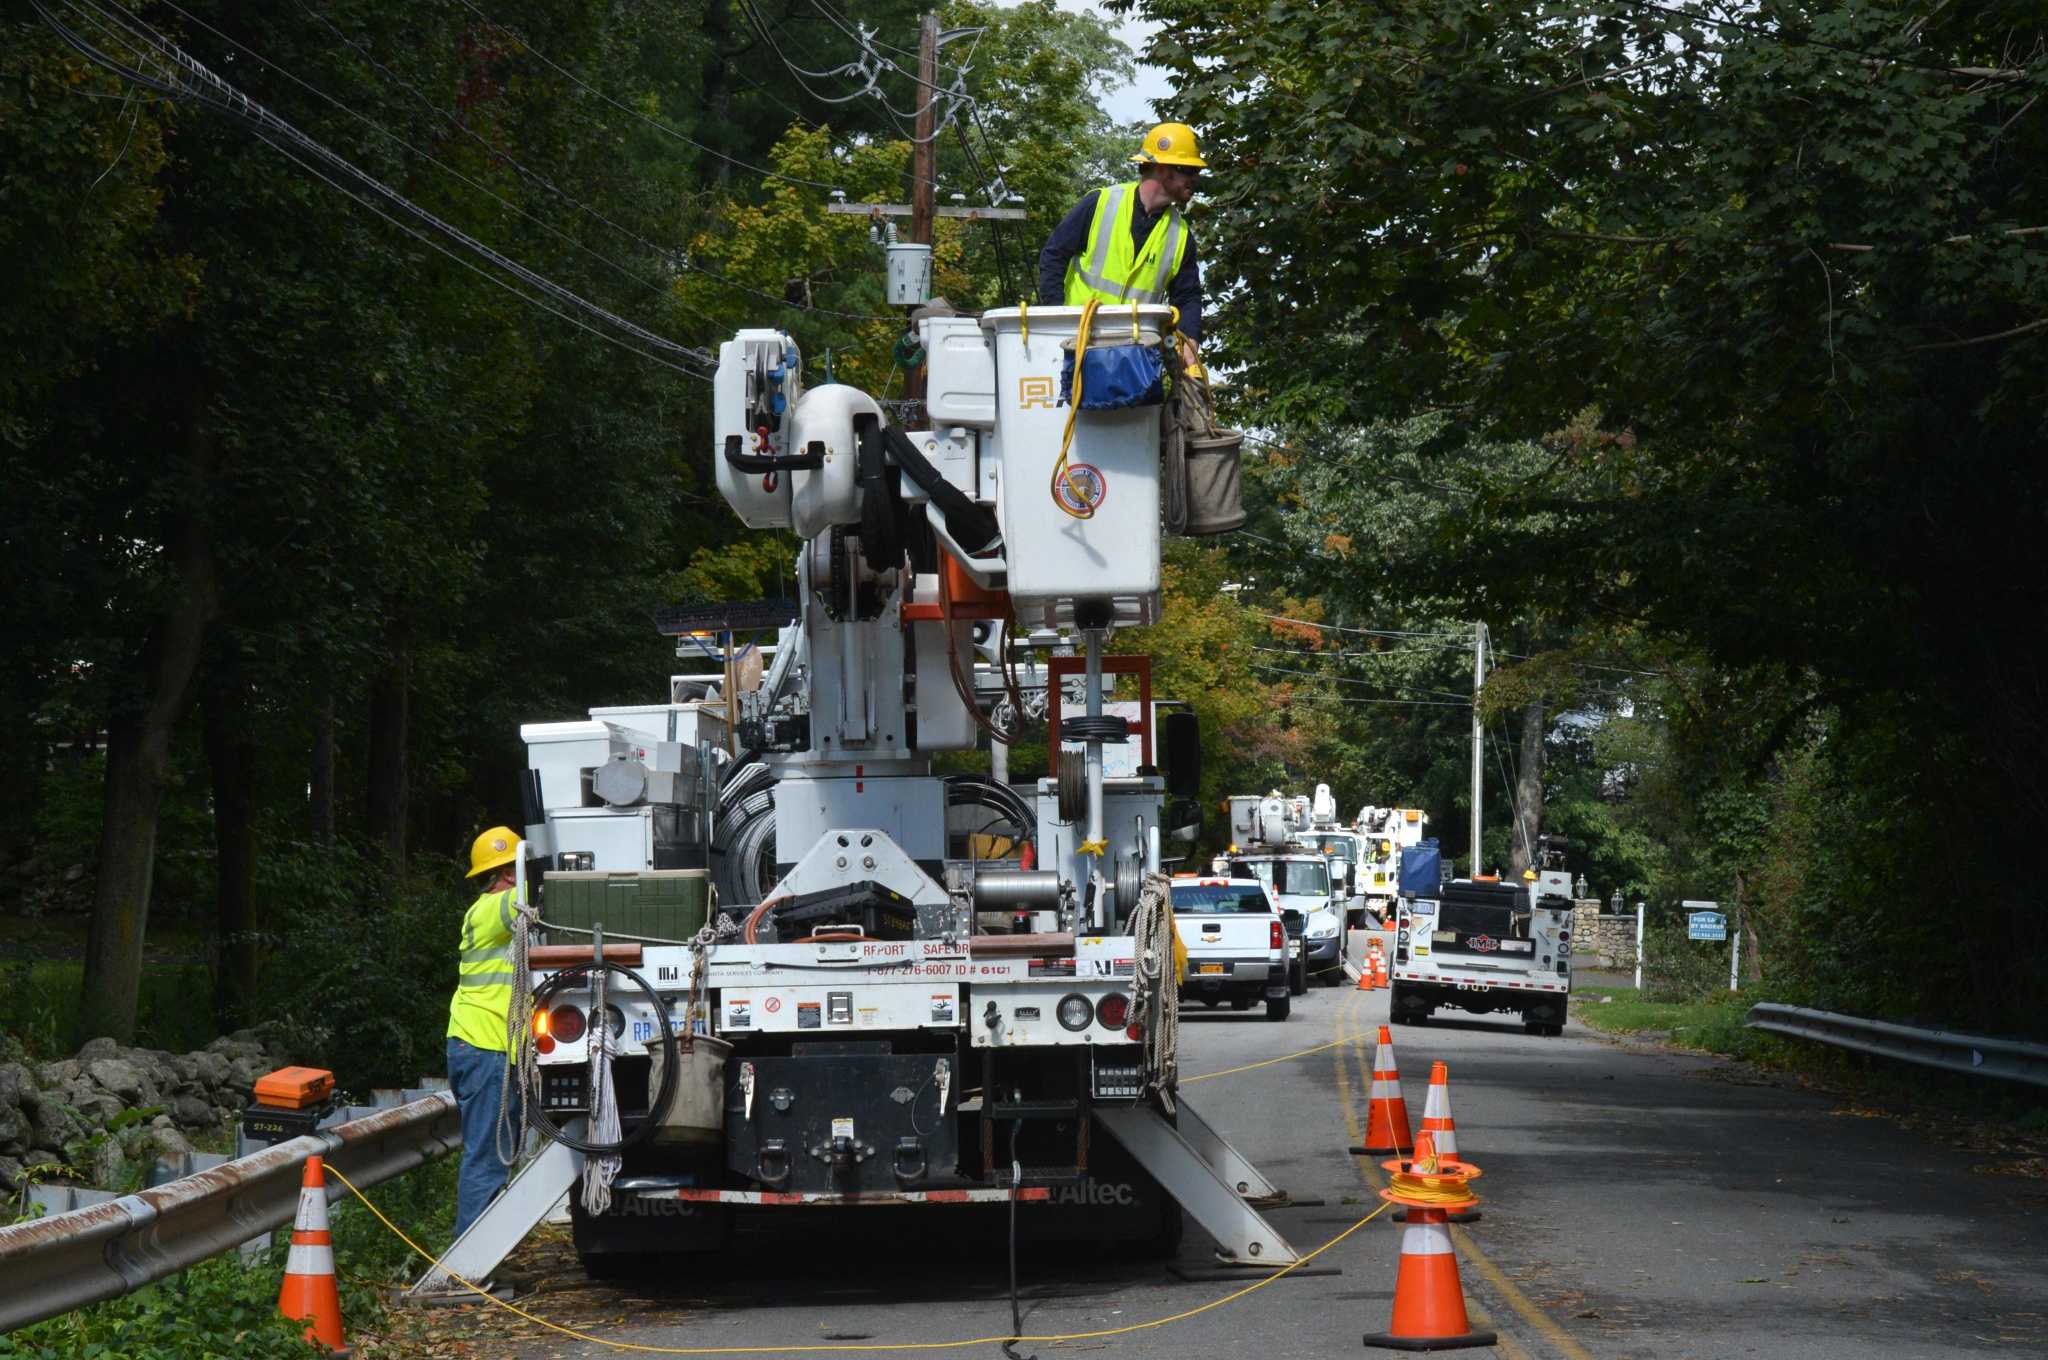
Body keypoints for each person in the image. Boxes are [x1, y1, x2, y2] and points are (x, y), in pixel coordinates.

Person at [1037, 121, 1206, 367]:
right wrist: (1056, 317)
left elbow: (1188, 295)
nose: (1196, 179)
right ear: (1164, 169)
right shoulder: (1101, 203)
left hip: (1134, 358)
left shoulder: (1179, 234)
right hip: (1077, 345)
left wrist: (1190, 339)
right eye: (1189, 171)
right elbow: (1053, 255)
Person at [447, 824, 526, 1237]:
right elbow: (531, 901)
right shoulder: (493, 909)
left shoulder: (492, 915)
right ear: (510, 873)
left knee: (492, 1156)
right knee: (486, 1158)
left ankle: (481, 1256)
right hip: (484, 1047)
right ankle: (468, 1265)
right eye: (521, 866)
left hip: (484, 1047)